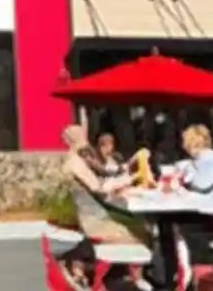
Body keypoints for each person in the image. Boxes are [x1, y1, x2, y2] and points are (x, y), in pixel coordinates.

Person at [61, 124, 155, 291]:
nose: (86, 141)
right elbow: (99, 188)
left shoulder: (77, 160)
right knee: (143, 233)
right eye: (82, 136)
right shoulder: (75, 163)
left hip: (94, 217)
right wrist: (129, 179)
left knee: (138, 226)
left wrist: (127, 173)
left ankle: (120, 275)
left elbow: (104, 175)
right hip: (95, 223)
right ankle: (134, 278)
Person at [179, 125, 213, 208]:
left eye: (197, 146)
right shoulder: (207, 159)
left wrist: (179, 189)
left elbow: (204, 186)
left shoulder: (209, 158)